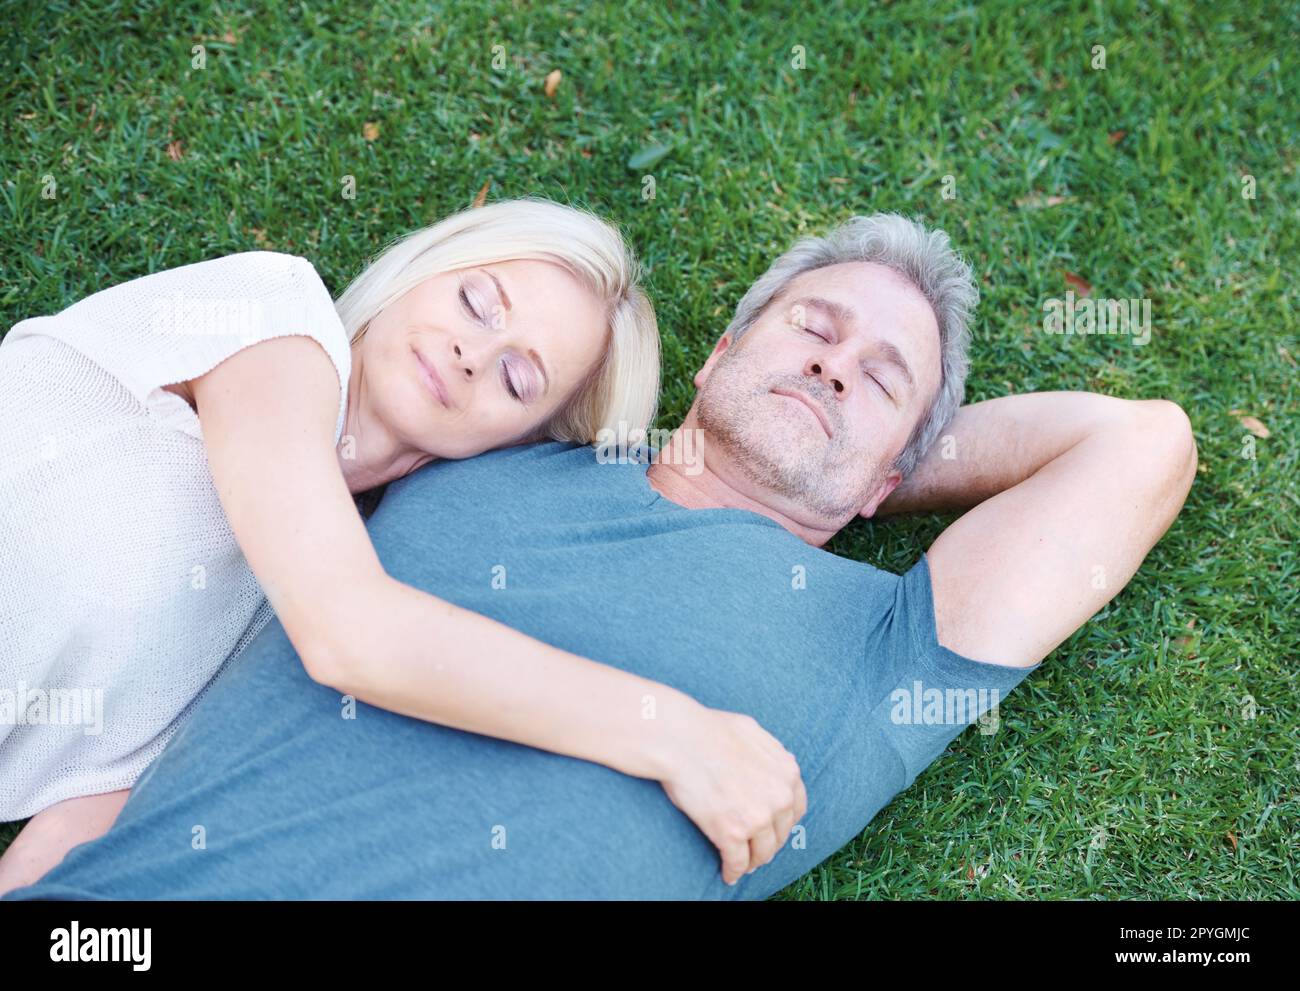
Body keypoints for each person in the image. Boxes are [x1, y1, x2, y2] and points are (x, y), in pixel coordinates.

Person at [2, 211, 1196, 900]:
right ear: (720, 353)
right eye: (812, 330)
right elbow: (288, 596)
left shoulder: (880, 648)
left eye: (881, 379)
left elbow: (1141, 444)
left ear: (899, 476)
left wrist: (852, 461)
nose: (836, 363)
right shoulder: (484, 454)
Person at [0, 198, 809, 895]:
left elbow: (74, 832)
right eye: (476, 301)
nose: (472, 352)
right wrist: (672, 730)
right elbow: (352, 631)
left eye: (518, 379)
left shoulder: (274, 617)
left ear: (517, 447)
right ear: (423, 267)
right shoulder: (271, 321)